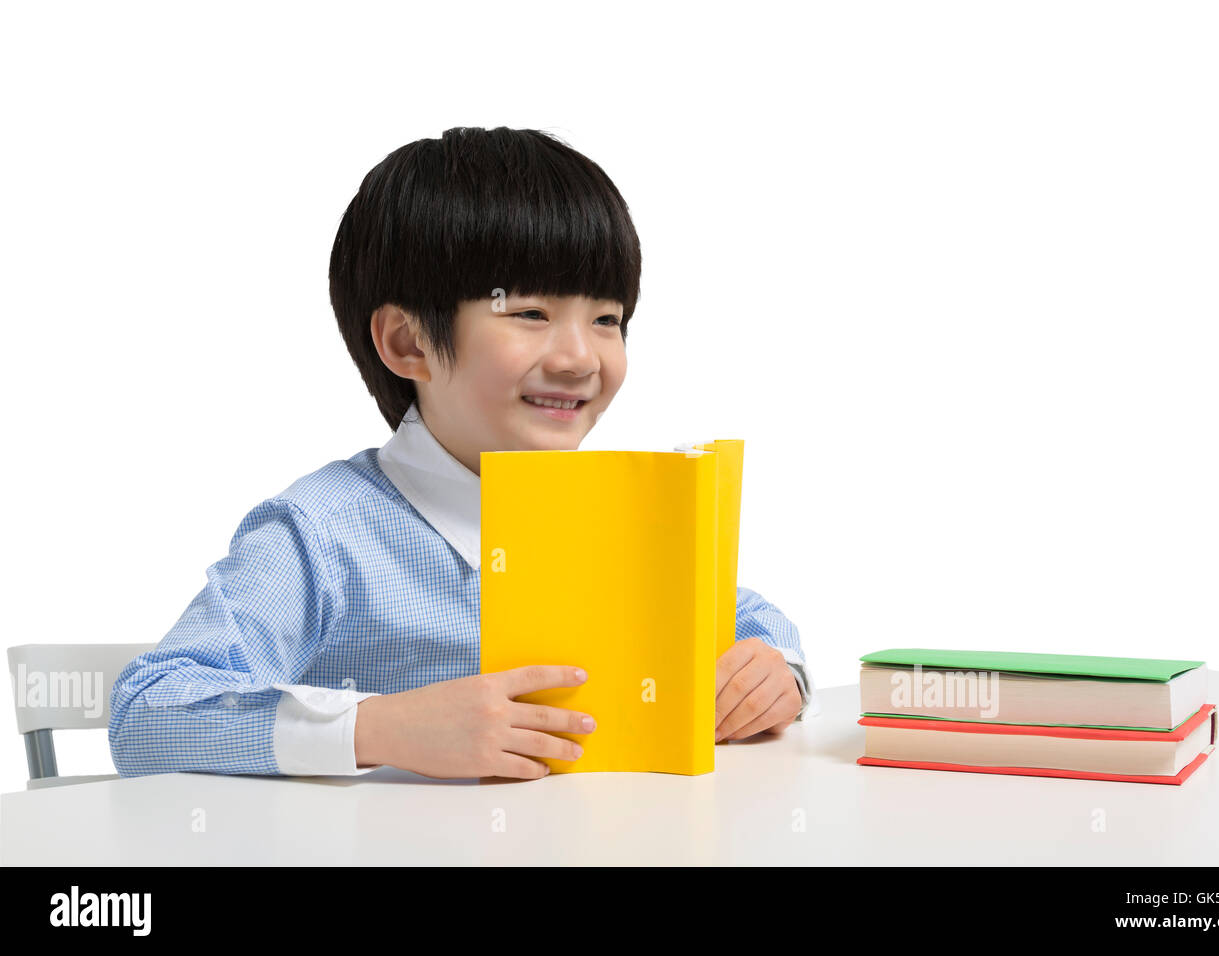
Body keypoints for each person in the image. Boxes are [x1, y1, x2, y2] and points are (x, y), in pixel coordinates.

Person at [109, 127, 814, 781]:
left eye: (607, 319)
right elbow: (146, 713)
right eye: (531, 313)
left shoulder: (614, 509)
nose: (579, 358)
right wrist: (379, 728)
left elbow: (743, 621)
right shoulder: (321, 533)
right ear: (408, 344)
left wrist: (777, 673)